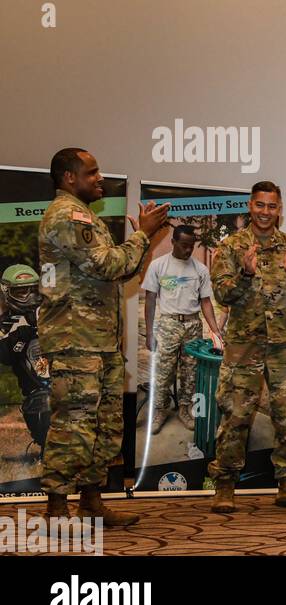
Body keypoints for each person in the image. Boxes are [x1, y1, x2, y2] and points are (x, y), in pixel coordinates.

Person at [39, 147, 170, 525]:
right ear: (69, 178)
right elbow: (110, 263)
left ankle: (91, 502)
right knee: (74, 426)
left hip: (101, 342)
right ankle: (56, 509)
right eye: (92, 172)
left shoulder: (88, 218)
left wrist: (142, 240)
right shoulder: (67, 216)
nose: (100, 178)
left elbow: (121, 271)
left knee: (105, 425)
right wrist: (143, 236)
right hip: (75, 341)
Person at [208, 181, 286, 512]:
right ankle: (225, 486)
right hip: (245, 346)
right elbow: (222, 294)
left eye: (272, 206)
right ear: (250, 206)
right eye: (260, 205)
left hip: (285, 346)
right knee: (236, 415)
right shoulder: (231, 247)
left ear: (280, 209)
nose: (266, 212)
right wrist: (244, 273)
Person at [142, 225, 221, 434]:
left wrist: (214, 331)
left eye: (191, 246)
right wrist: (150, 333)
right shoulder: (159, 266)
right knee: (163, 372)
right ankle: (160, 410)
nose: (188, 250)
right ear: (173, 242)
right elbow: (150, 300)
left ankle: (185, 409)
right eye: (184, 245)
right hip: (168, 324)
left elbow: (205, 302)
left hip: (192, 326)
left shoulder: (200, 269)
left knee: (190, 372)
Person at [0, 265, 51, 456]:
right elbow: (4, 356)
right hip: (38, 391)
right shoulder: (7, 324)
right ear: (7, 291)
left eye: (33, 289)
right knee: (44, 400)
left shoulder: (49, 313)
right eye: (22, 291)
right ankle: (49, 448)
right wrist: (19, 338)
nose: (29, 295)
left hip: (68, 379)